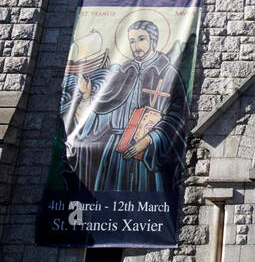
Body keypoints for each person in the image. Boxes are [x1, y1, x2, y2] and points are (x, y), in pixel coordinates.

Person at [62, 21, 189, 196]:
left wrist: (148, 140)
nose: (136, 46)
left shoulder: (168, 73)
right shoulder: (123, 72)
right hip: (114, 152)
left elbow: (177, 116)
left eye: (141, 39)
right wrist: (86, 96)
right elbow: (103, 114)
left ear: (153, 40)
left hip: (145, 154)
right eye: (132, 41)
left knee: (145, 198)